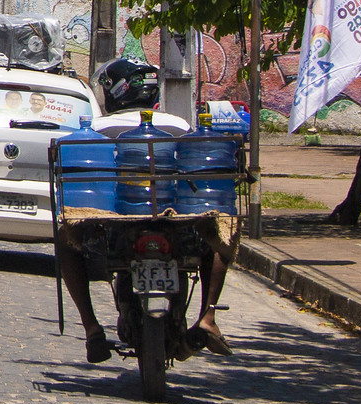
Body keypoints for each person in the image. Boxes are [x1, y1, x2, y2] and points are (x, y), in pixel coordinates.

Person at [57, 58, 233, 362]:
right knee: (217, 235)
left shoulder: (99, 128)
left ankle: (92, 328)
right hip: (175, 219)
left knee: (66, 242)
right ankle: (208, 316)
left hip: (117, 222)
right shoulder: (179, 125)